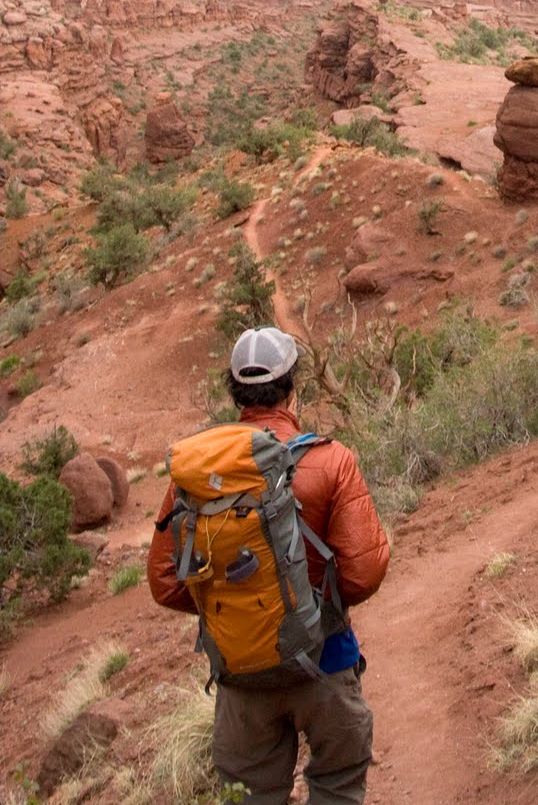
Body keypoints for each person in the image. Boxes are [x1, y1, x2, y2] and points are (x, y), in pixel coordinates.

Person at [148, 326, 390, 805]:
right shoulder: (330, 460)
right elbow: (364, 573)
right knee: (338, 782)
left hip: (241, 673)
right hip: (326, 660)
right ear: (293, 386)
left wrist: (238, 608)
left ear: (236, 392)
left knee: (251, 796)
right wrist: (309, 610)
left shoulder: (197, 476)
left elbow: (164, 582)